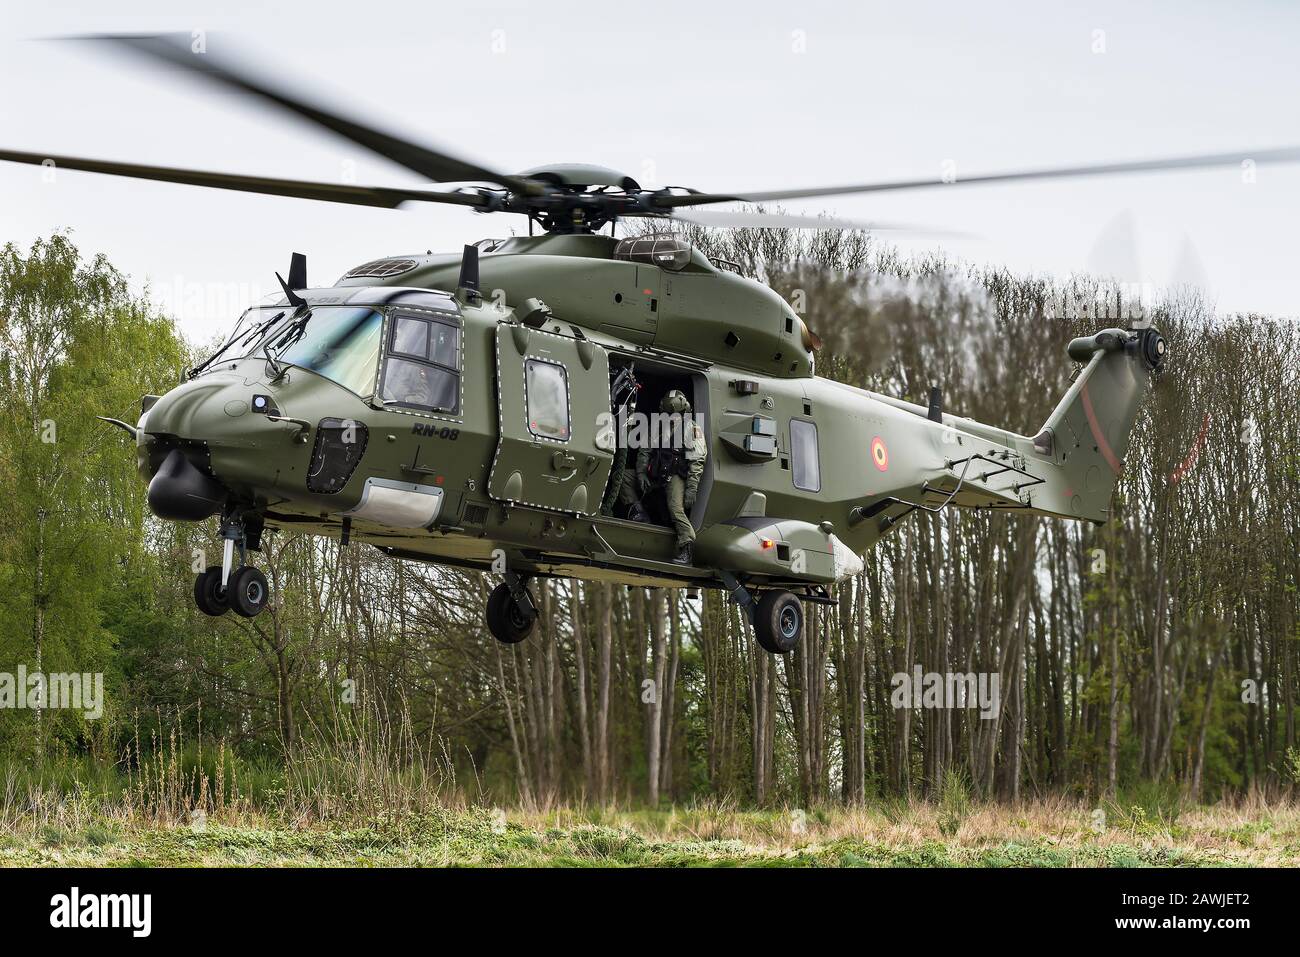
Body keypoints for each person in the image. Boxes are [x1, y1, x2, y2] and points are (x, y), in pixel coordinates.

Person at [618, 390, 706, 565]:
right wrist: (642, 473)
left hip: (675, 476)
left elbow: (697, 461)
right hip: (655, 474)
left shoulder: (692, 429)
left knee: (676, 509)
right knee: (623, 477)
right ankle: (638, 513)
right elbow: (644, 451)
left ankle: (686, 546)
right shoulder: (657, 426)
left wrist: (691, 489)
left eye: (674, 415)